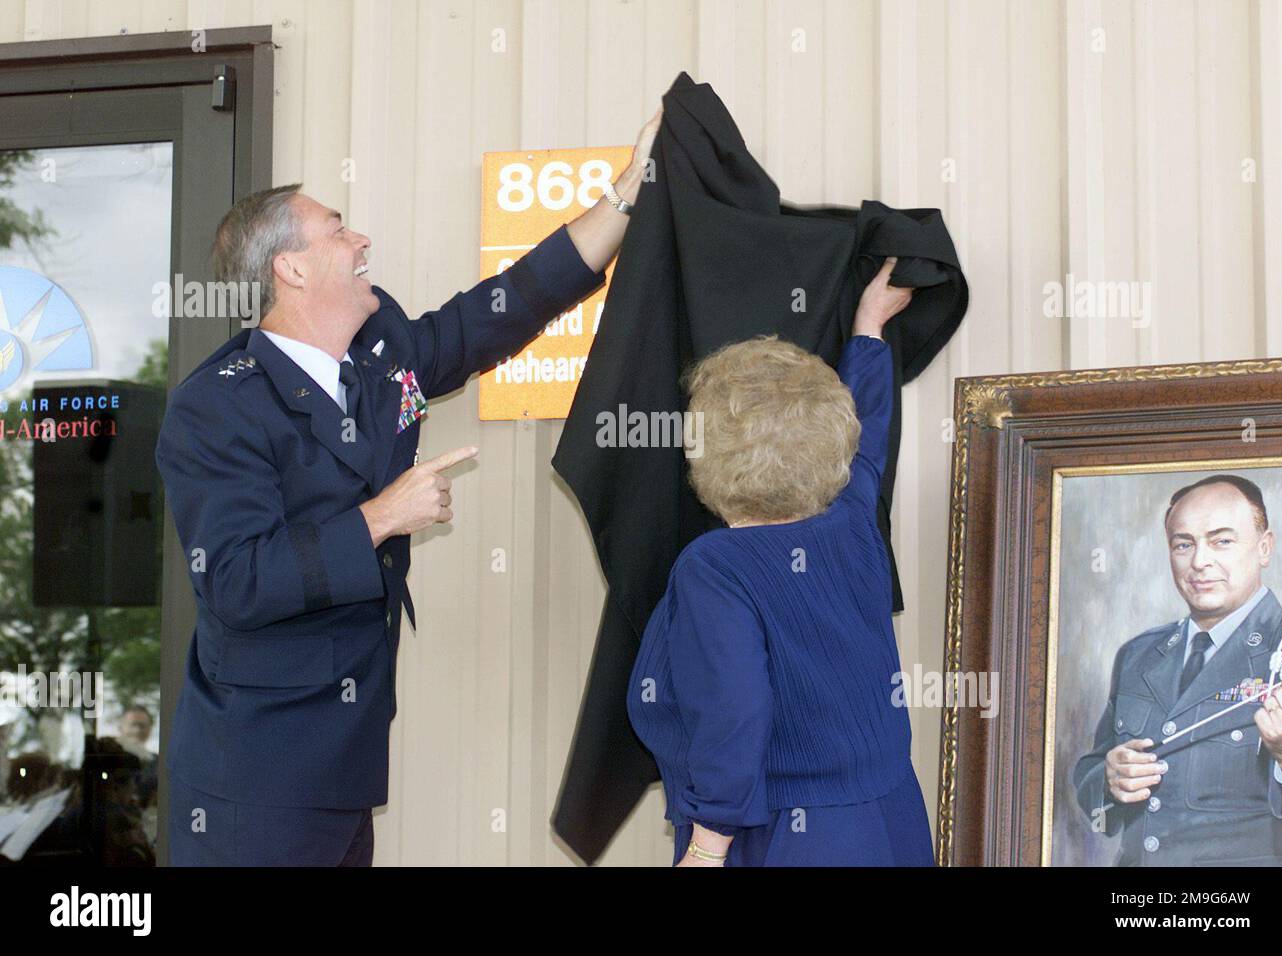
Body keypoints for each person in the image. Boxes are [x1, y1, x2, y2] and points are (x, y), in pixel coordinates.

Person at [156, 109, 661, 866]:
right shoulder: (216, 404)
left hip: (346, 759)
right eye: (336, 230)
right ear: (288, 269)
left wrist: (625, 195)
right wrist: (380, 518)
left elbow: (497, 311)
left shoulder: (380, 351)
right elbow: (234, 580)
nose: (360, 241)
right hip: (255, 776)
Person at [626, 258, 935, 866]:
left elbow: (733, 711)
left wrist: (708, 849)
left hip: (784, 840)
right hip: (892, 824)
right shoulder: (851, 520)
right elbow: (868, 434)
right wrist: (869, 329)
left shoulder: (715, 568)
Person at [1072, 474, 1282, 865]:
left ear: (1265, 548)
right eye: (1184, 544)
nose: (1199, 561)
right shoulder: (1139, 655)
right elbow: (1095, 779)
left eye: (1222, 541)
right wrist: (1110, 782)